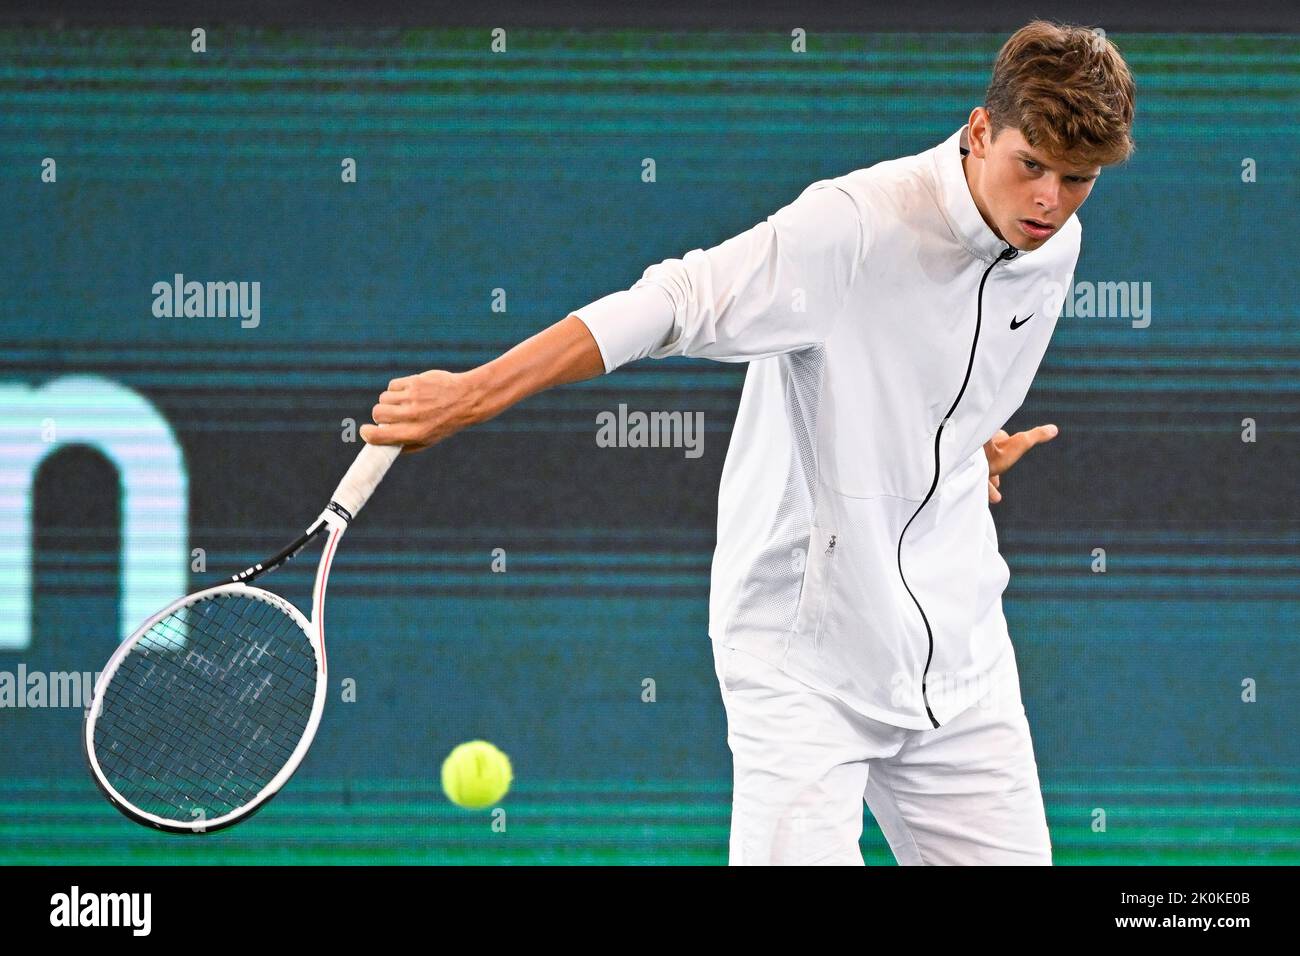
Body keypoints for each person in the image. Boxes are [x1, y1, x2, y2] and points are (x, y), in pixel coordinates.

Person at [360, 19, 1136, 865]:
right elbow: (674, 299)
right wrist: (477, 391)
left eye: (1077, 180)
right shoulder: (853, 226)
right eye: (1032, 168)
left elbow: (940, 381)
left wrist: (950, 455)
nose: (1050, 203)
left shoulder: (1053, 246)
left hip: (960, 655)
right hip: (805, 667)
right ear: (981, 131)